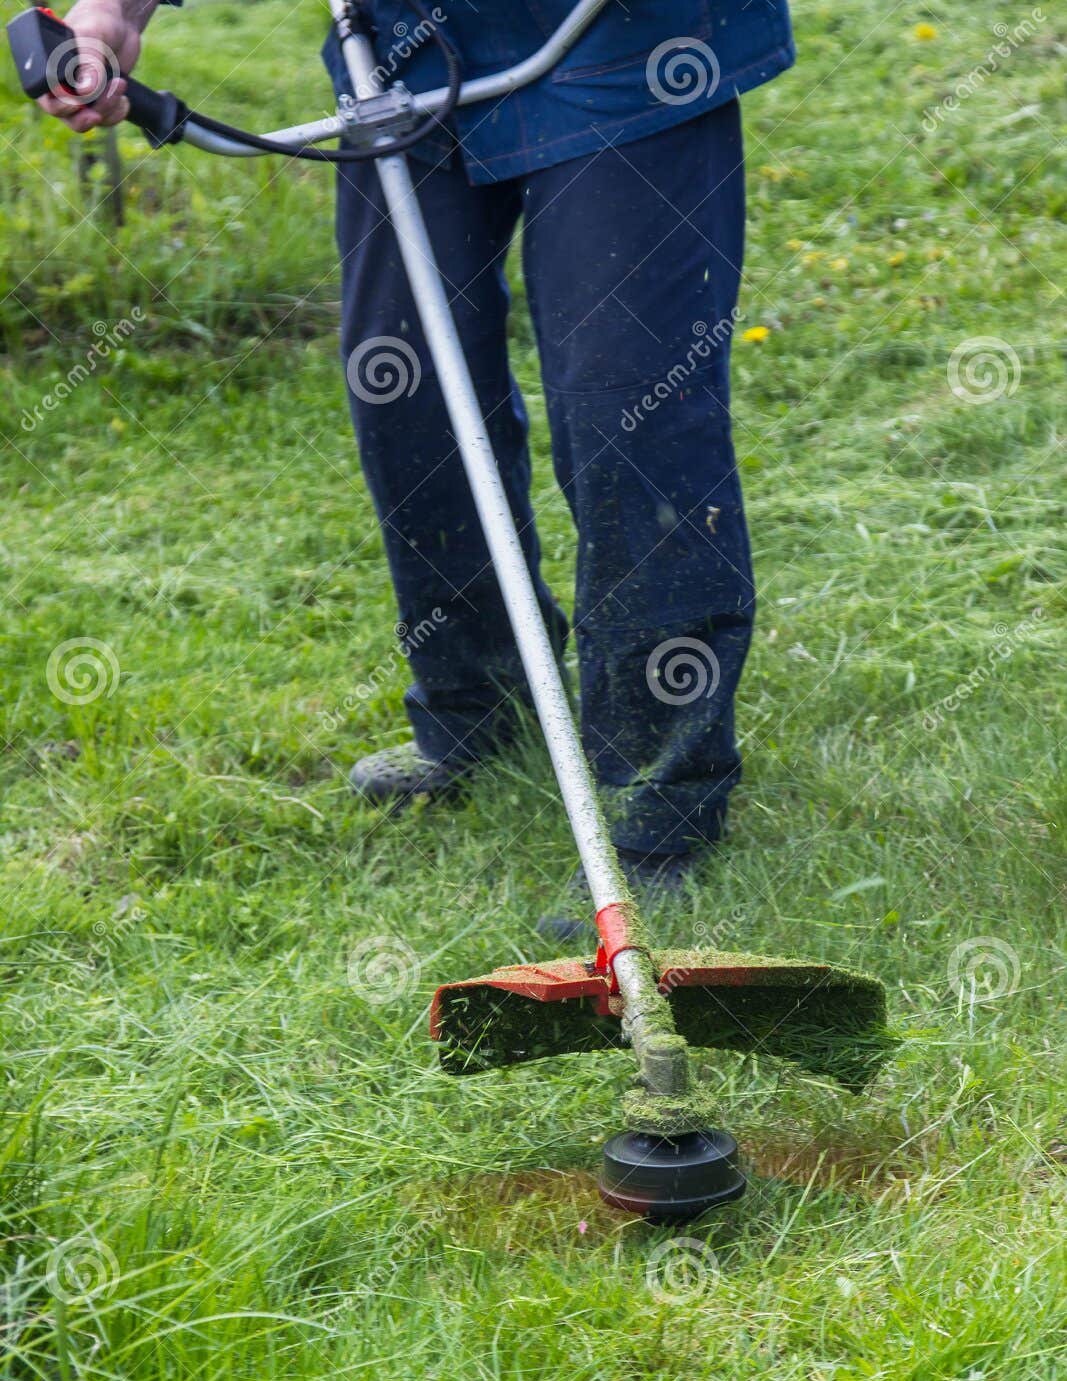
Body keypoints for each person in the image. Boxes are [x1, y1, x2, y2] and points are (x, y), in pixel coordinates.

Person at [41, 0, 795, 900]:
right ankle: (479, 705)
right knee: (405, 393)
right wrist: (113, 12)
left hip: (629, 43)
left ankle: (658, 802)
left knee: (626, 409)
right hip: (399, 54)